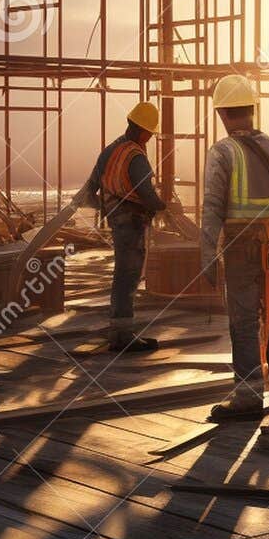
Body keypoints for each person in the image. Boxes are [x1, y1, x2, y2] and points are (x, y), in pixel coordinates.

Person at [200, 74, 269, 420]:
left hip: (241, 246)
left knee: (244, 321)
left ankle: (247, 396)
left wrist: (208, 257)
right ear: (252, 109)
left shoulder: (223, 151)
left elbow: (212, 208)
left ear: (222, 113)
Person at [77, 100, 167, 352]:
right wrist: (164, 207)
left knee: (122, 275)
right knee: (129, 276)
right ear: (143, 131)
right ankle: (123, 337)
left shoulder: (110, 151)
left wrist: (108, 207)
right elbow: (147, 194)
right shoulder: (136, 156)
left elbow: (89, 191)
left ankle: (119, 333)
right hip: (133, 224)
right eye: (150, 132)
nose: (151, 137)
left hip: (119, 223)